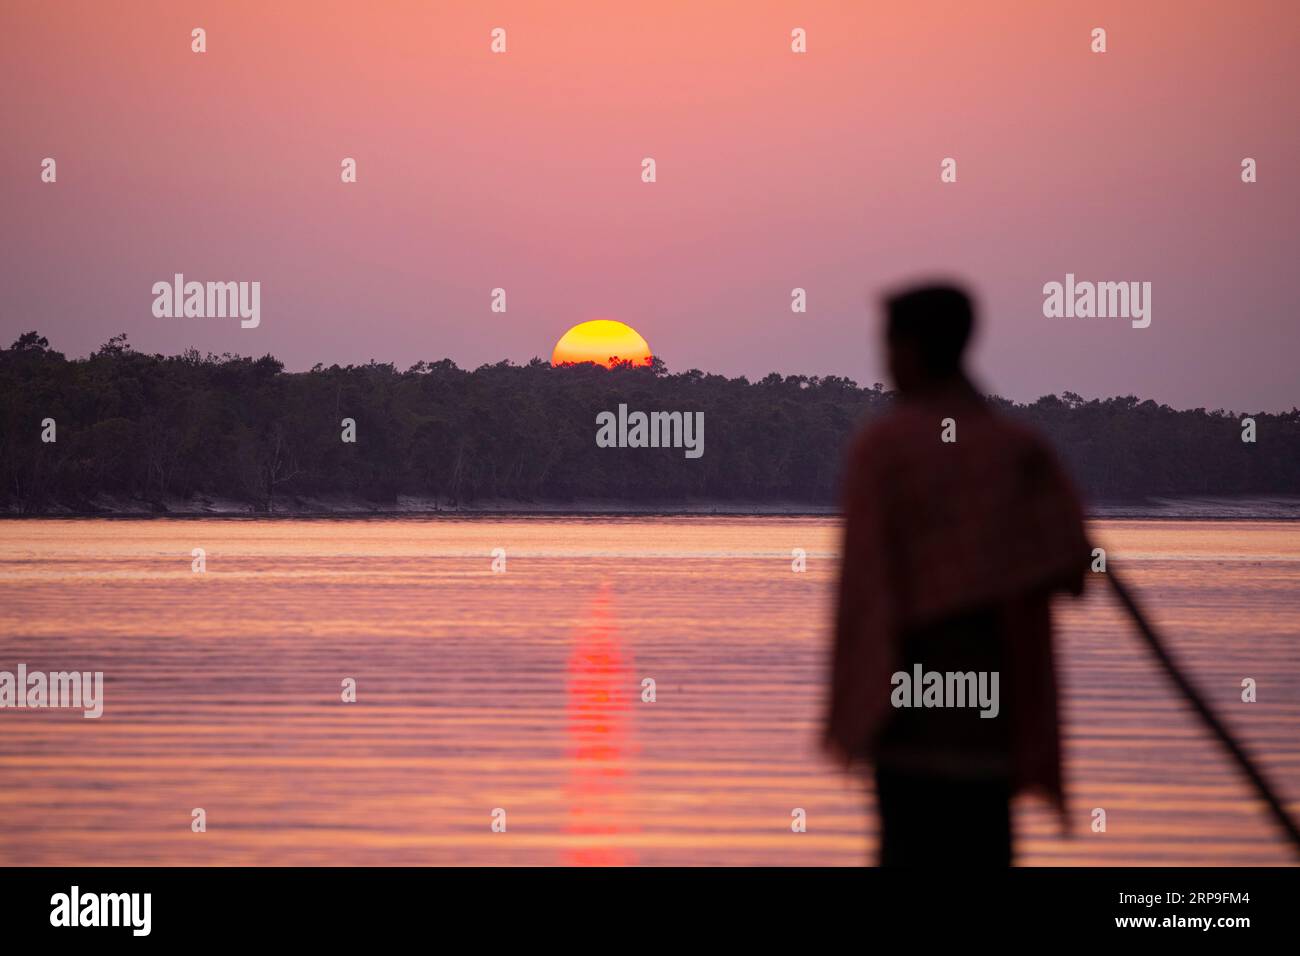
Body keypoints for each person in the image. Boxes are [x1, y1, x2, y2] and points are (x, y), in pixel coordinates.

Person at [824, 283, 1091, 866]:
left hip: (907, 715)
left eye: (889, 346)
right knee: (985, 852)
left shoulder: (887, 447)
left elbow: (865, 590)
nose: (884, 361)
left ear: (912, 352)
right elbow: (1074, 567)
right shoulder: (1015, 447)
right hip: (991, 719)